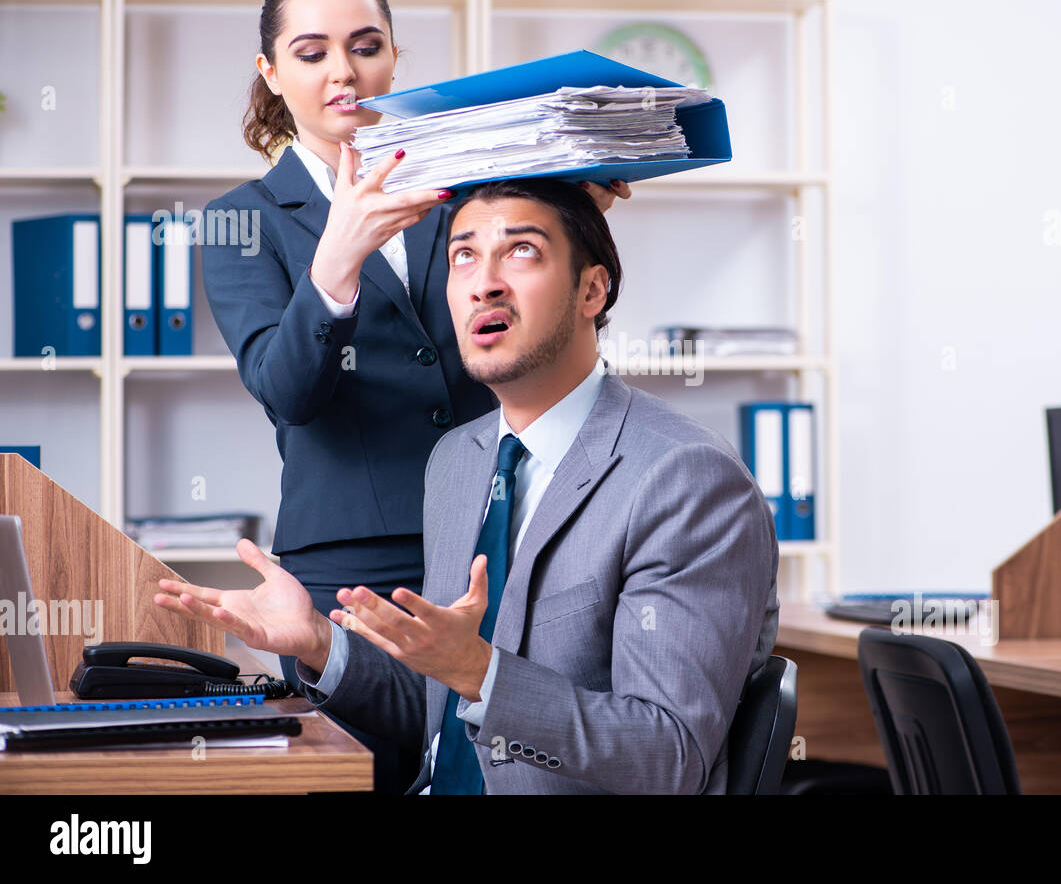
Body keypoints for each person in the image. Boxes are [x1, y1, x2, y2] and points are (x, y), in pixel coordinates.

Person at [159, 178, 780, 793]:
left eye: (522, 250)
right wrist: (321, 642)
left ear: (593, 289)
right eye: (464, 256)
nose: (485, 282)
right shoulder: (459, 460)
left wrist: (480, 671)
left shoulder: (685, 480)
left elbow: (668, 758)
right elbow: (445, 719)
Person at [200, 0, 627, 792]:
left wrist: (573, 208)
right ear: (272, 73)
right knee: (368, 772)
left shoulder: (462, 187)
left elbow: (521, 316)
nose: (343, 72)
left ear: (395, 56)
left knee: (491, 762)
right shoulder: (238, 222)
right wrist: (335, 265)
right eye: (313, 51)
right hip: (347, 562)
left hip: (485, 531)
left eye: (365, 46)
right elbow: (288, 392)